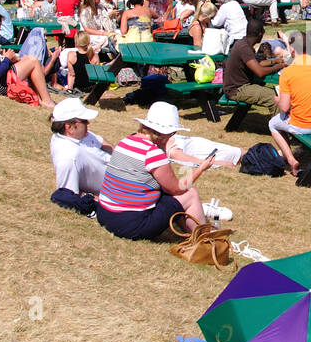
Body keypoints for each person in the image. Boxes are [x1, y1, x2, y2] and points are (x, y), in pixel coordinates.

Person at [95, 102, 231, 241]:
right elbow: (177, 189)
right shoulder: (153, 153)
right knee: (190, 194)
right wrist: (201, 168)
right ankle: (204, 238)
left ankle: (193, 232)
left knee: (168, 196)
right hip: (132, 225)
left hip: (105, 214)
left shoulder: (124, 141)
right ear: (164, 134)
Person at [269, 30, 311, 176]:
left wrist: (278, 100)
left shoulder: (288, 72)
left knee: (273, 124)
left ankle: (290, 158)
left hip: (300, 125)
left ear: (292, 49)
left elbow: (284, 107)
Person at [0, 11, 55, 108]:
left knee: (27, 58)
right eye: (0, 26)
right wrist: (7, 59)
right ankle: (47, 100)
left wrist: (7, 59)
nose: (0, 30)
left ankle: (40, 97)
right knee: (33, 61)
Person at [50, 97, 115, 198]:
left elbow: (103, 143)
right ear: (69, 127)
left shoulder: (78, 134)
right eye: (84, 121)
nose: (88, 123)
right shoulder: (68, 158)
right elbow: (69, 195)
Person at [222, 18, 287, 107]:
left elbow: (257, 63)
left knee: (277, 92)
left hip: (238, 86)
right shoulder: (244, 48)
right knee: (275, 97)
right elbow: (260, 72)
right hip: (237, 89)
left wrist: (275, 61)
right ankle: (278, 121)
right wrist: (279, 66)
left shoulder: (244, 43)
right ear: (260, 34)